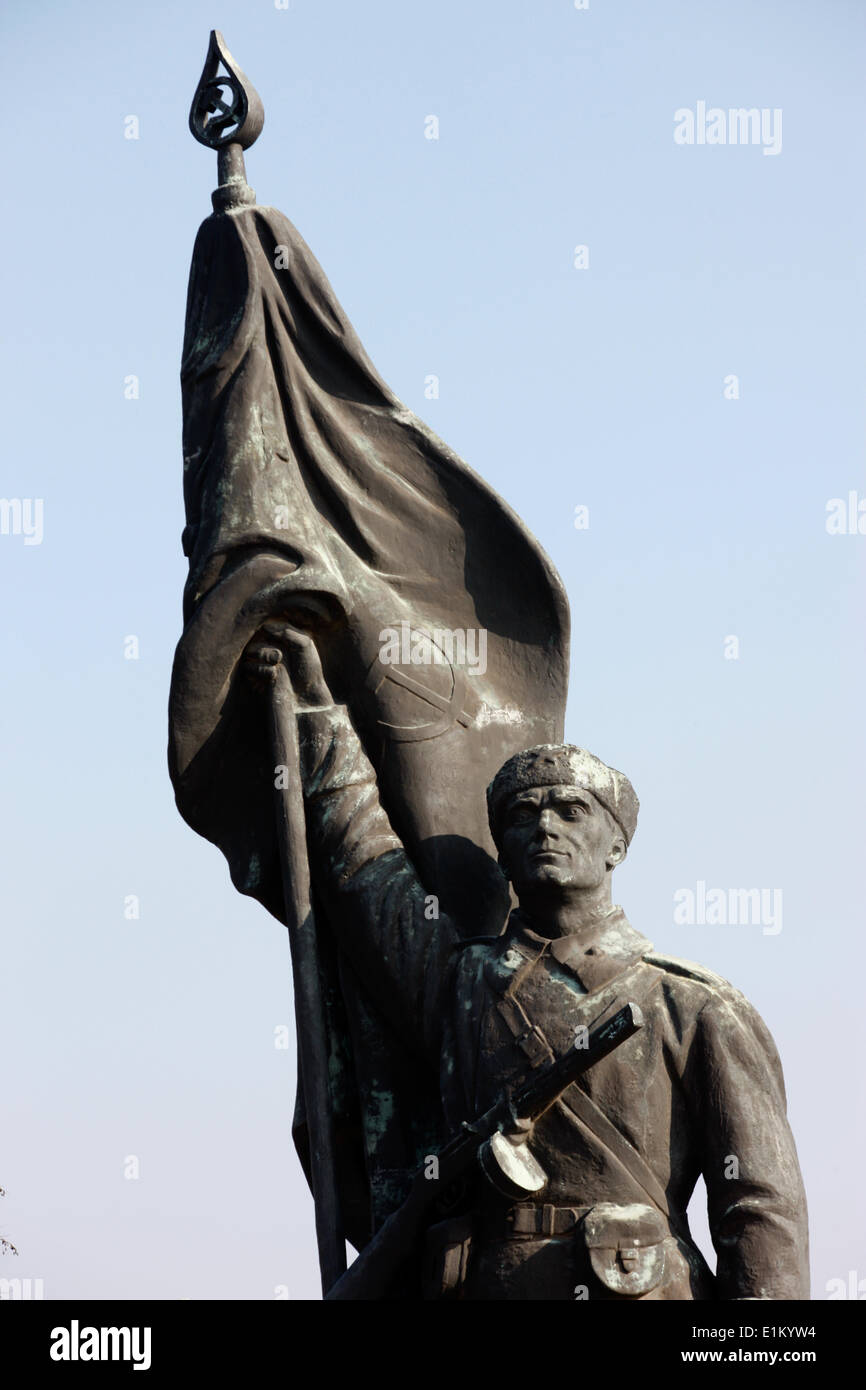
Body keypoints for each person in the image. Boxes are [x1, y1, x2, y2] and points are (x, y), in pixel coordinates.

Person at [244, 626, 810, 1301]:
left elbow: (760, 1209)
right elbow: (365, 866)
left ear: (616, 847)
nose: (545, 826)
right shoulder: (458, 983)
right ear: (503, 855)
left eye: (572, 811)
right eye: (522, 816)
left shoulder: (692, 1006)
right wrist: (315, 705)